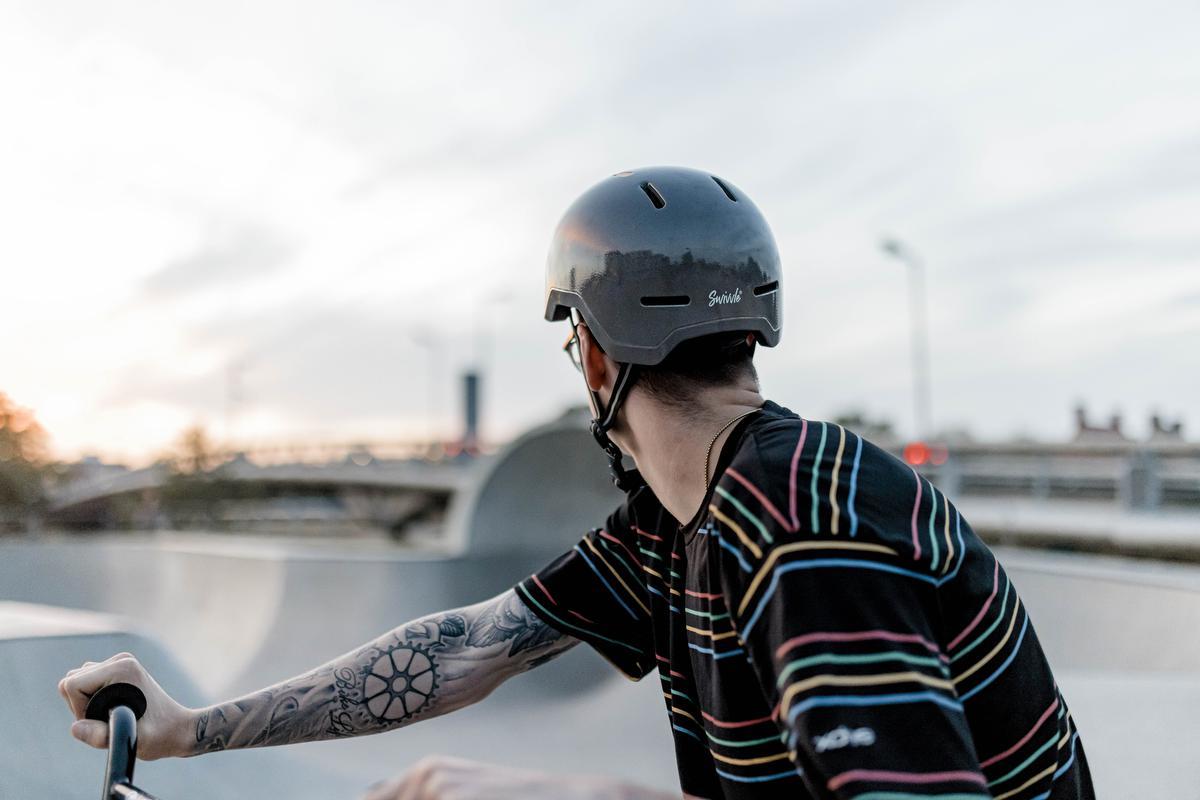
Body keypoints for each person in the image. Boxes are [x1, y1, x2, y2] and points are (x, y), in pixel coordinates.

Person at [59, 167, 1095, 800]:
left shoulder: (800, 530)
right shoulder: (680, 518)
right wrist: (193, 726)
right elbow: (468, 645)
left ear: (596, 357)